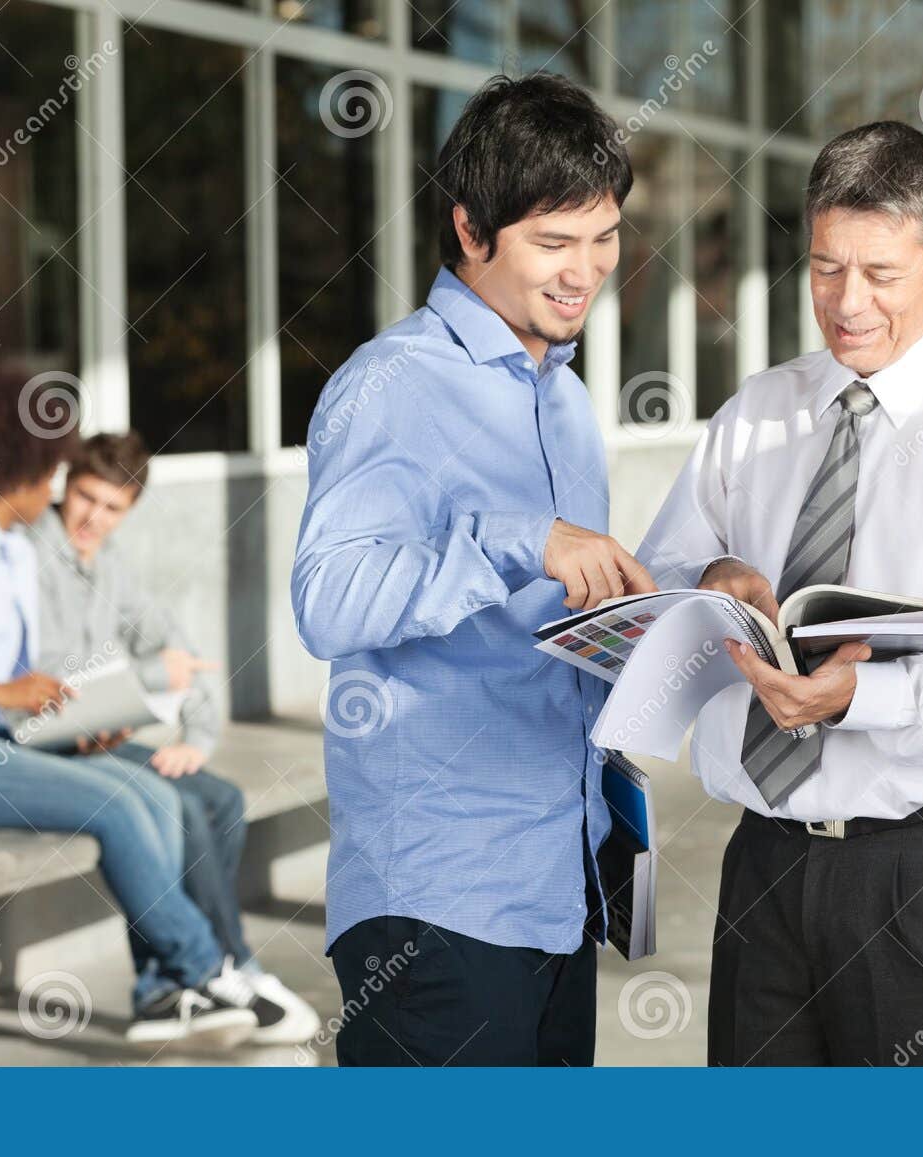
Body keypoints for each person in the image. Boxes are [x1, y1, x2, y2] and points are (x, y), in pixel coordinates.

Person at [638, 121, 923, 1066]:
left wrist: (858, 696)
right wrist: (709, 579)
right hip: (764, 865)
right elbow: (667, 574)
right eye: (823, 269)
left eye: (880, 274)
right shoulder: (759, 411)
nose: (847, 304)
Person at [291, 73, 655, 1066]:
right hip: (435, 905)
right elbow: (325, 599)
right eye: (552, 241)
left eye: (604, 236)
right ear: (469, 230)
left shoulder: (564, 397)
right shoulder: (391, 384)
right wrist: (516, 538)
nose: (585, 271)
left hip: (558, 883)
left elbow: (550, 625)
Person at [0, 366, 258, 1045]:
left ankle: (182, 988)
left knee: (152, 795)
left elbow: (28, 676)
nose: (60, 491)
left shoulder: (5, 555)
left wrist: (84, 711)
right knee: (121, 804)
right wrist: (2, 693)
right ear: (23, 469)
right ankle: (208, 972)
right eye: (53, 473)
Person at [26, 430, 319, 1046]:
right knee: (177, 806)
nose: (93, 519)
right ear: (64, 485)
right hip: (34, 740)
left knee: (218, 796)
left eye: (112, 508)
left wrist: (197, 735)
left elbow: (177, 648)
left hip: (93, 737)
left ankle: (165, 990)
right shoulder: (30, 554)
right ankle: (230, 964)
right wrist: (140, 685)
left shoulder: (109, 566)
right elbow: (43, 671)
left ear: (130, 510)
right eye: (85, 499)